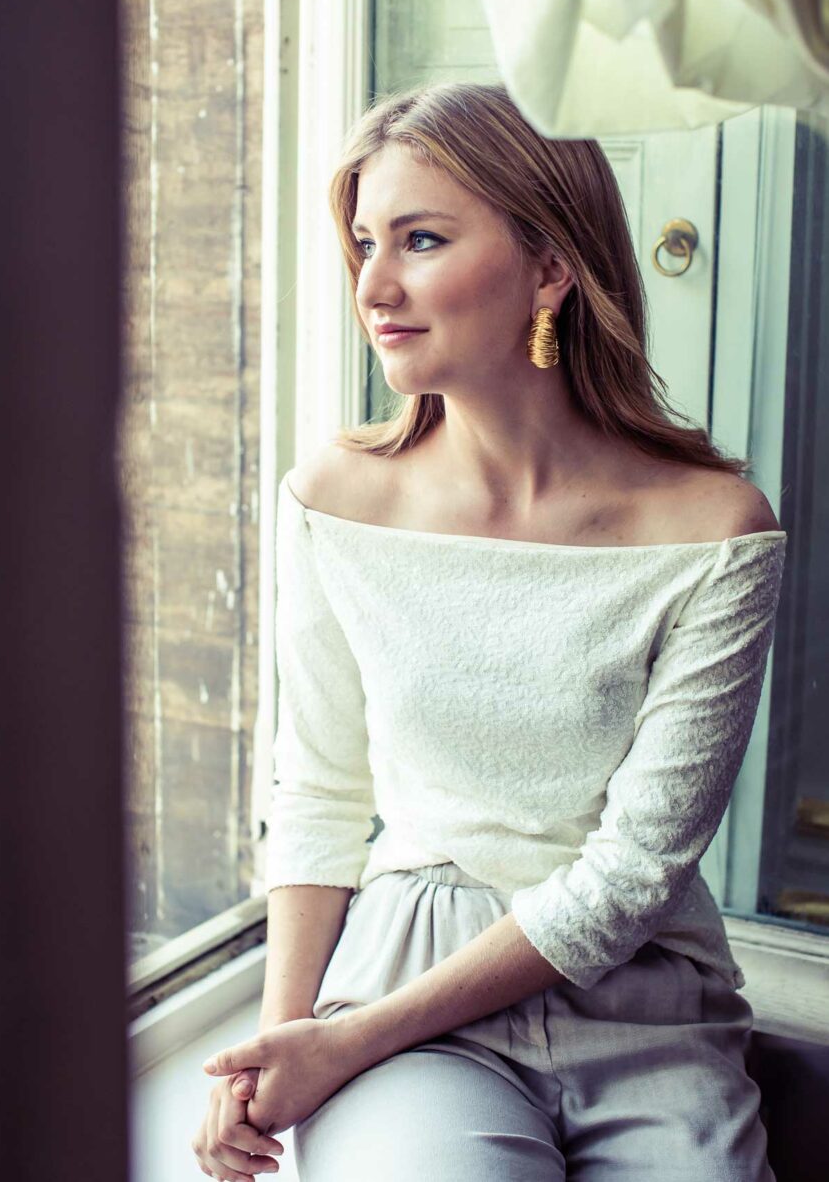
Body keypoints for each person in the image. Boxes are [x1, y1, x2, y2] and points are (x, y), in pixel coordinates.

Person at [191, 81, 787, 1181]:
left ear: (551, 265)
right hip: (404, 991)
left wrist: (343, 1042)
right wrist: (277, 1053)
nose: (374, 284)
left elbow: (633, 872)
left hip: (646, 1010)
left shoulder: (714, 534)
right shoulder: (336, 498)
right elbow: (319, 793)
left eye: (420, 240)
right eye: (366, 241)